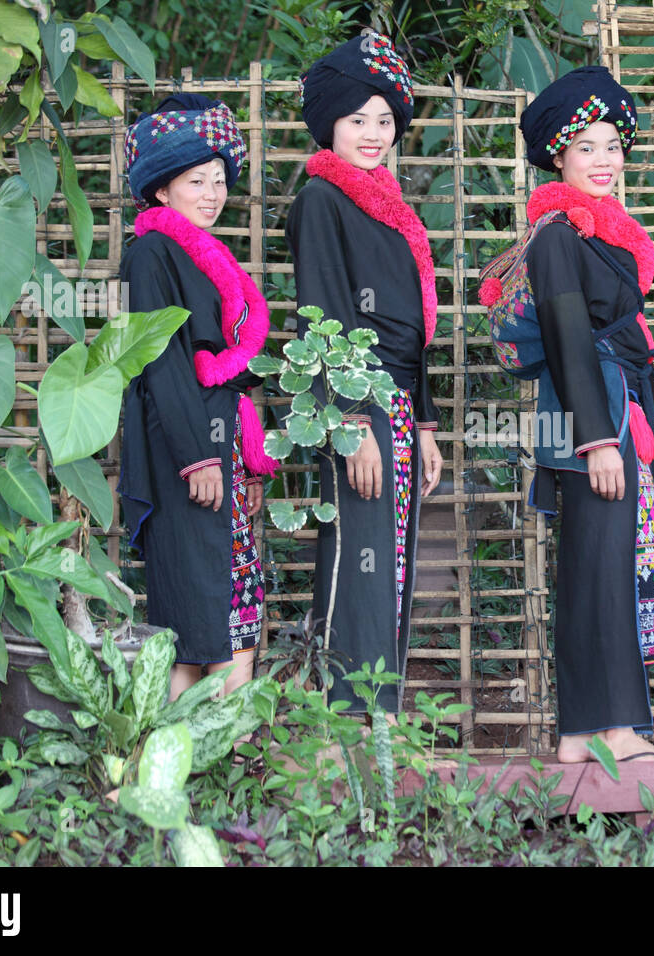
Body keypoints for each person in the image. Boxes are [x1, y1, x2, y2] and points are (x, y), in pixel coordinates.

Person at [517, 66, 654, 767]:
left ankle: (582, 733)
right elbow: (566, 338)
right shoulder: (557, 234)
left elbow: (636, 348)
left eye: (613, 145)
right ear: (559, 156)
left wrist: (653, 449)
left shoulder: (611, 236)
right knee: (598, 569)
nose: (604, 159)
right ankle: (610, 728)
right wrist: (597, 442)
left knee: (602, 566)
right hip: (586, 422)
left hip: (620, 418)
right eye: (587, 146)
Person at [285, 31, 443, 715]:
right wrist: (350, 424)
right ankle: (348, 724)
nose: (374, 133)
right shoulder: (323, 201)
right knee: (359, 558)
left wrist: (426, 425)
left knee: (394, 565)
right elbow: (323, 315)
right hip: (356, 406)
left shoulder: (393, 211)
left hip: (400, 408)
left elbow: (415, 332)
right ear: (330, 126)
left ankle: (386, 718)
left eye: (385, 120)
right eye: (358, 120)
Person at [117, 93, 279, 703]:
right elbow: (160, 364)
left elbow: (228, 375)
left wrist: (242, 461)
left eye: (218, 180)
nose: (212, 193)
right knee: (196, 617)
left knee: (227, 611)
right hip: (185, 456)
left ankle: (208, 767)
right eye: (195, 181)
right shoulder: (151, 255)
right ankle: (194, 767)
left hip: (222, 453)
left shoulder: (203, 257)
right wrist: (198, 458)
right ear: (162, 190)